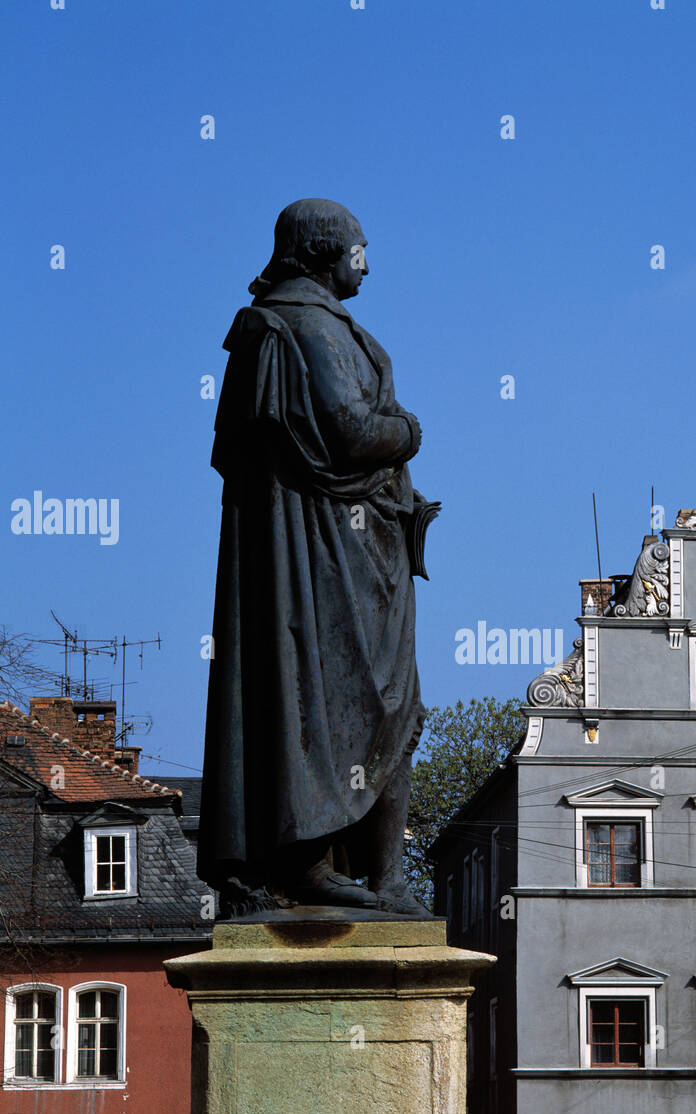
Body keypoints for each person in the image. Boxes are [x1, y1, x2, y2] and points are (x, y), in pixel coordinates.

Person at [197, 199, 432, 916]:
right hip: (327, 555)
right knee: (357, 701)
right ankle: (313, 865)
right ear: (326, 249)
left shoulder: (291, 323)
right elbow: (352, 430)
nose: (368, 262)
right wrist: (410, 431)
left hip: (349, 543)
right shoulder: (306, 325)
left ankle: (374, 878)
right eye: (361, 248)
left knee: (388, 706)